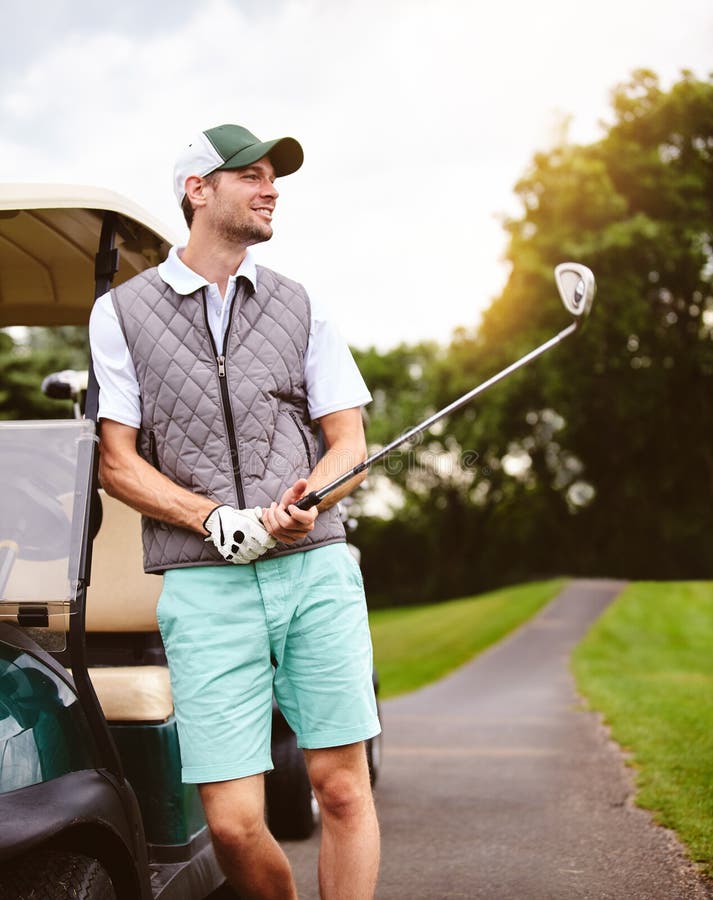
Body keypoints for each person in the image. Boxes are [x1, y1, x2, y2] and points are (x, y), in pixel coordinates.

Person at [89, 123, 381, 900]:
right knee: (232, 823)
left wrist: (306, 500)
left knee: (343, 788)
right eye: (250, 175)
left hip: (313, 567)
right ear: (198, 190)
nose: (270, 188)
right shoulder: (120, 314)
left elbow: (347, 440)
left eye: (273, 177)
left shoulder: (301, 305)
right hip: (204, 583)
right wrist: (216, 517)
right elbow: (117, 462)